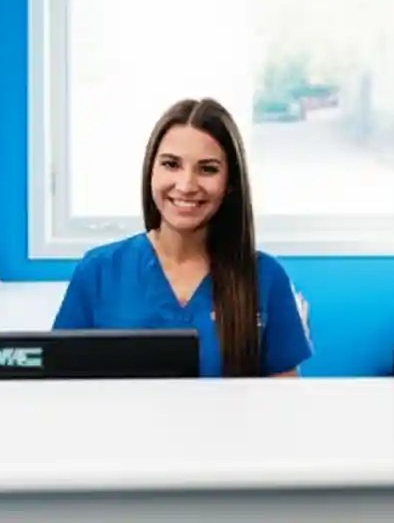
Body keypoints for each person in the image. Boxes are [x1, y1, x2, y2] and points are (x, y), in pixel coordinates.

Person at [52, 98, 313, 377]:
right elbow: (58, 386)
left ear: (230, 184)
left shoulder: (265, 278)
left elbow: (283, 397)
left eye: (207, 169)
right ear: (151, 171)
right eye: (171, 164)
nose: (186, 185)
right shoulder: (98, 271)